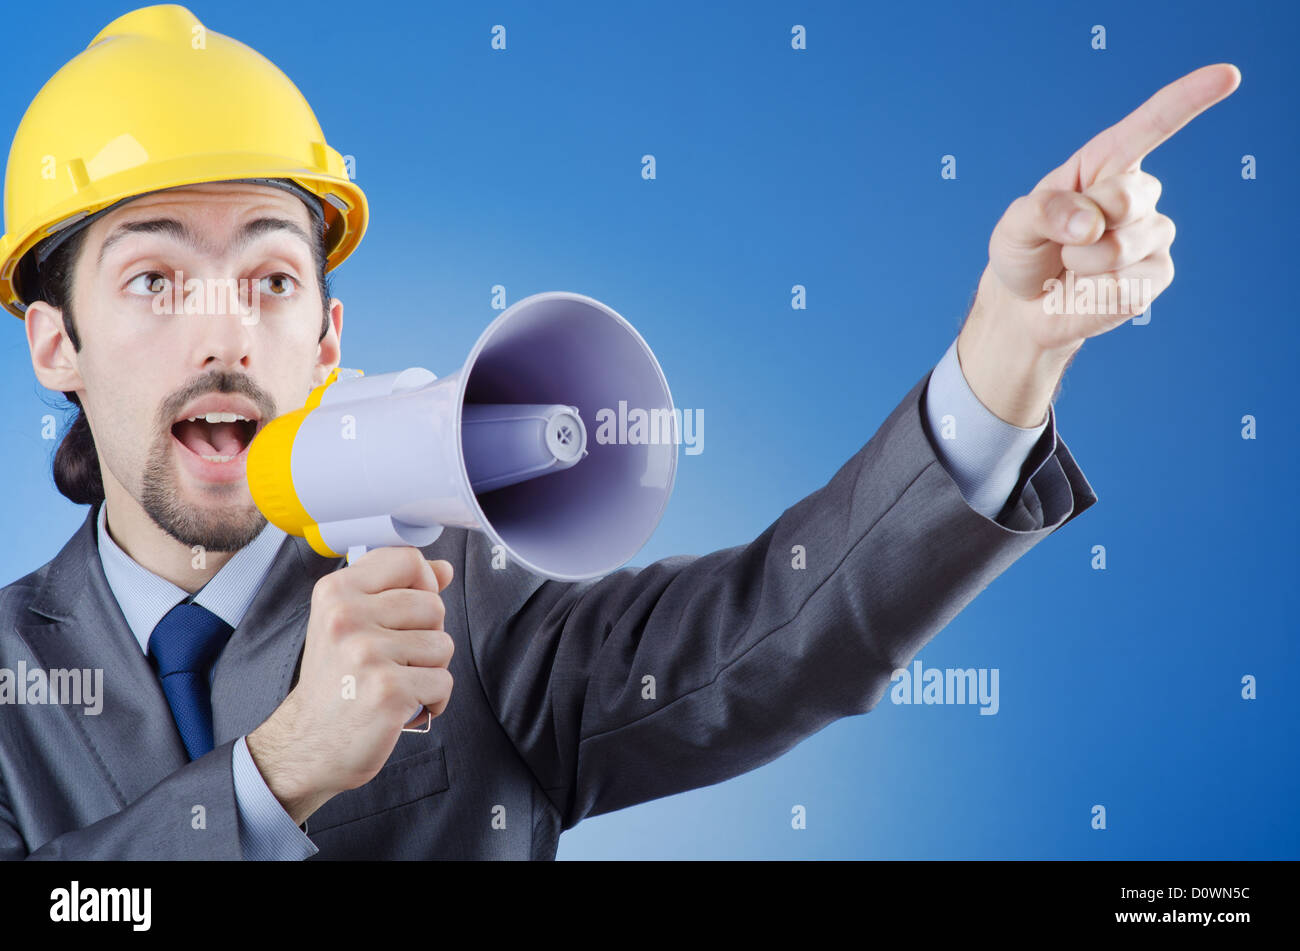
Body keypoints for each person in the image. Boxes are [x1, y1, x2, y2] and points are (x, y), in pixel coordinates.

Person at [0, 5, 1239, 859]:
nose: (225, 334)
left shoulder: (464, 603)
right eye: (154, 281)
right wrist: (275, 778)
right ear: (55, 343)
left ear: (327, 340)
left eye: (271, 280)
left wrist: (1009, 352)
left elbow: (779, 638)